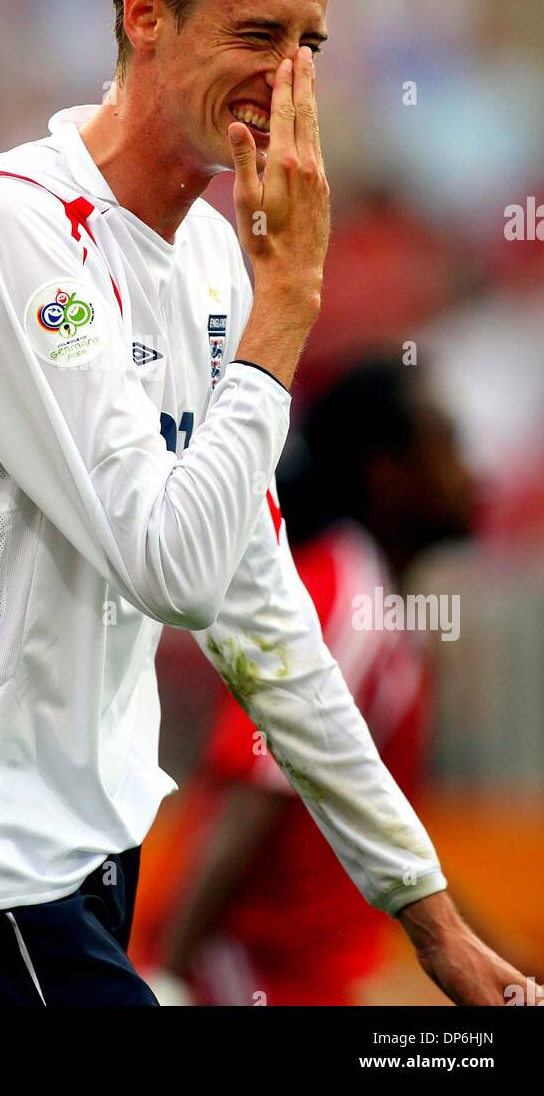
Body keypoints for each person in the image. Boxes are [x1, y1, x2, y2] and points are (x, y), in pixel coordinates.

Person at [0, 0, 530, 1007]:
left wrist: (423, 911)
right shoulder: (8, 225)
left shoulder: (204, 260)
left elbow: (257, 607)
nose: (286, 77)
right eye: (255, 31)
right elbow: (169, 568)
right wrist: (288, 304)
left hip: (77, 861)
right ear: (145, 15)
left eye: (310, 42)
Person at [150, 358, 479, 1005]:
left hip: (303, 981)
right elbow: (250, 795)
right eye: (447, 446)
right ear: (387, 473)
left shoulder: (379, 608)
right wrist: (166, 979)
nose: (471, 475)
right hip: (245, 976)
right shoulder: (343, 596)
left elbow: (377, 825)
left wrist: (480, 951)